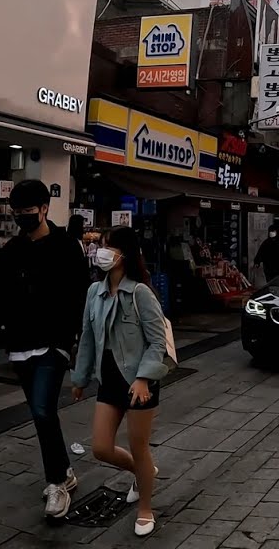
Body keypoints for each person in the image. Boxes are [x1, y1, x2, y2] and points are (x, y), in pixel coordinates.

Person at [0, 180, 88, 518]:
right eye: (18, 214)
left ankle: (56, 484)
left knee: (42, 410)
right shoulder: (11, 251)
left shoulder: (67, 248)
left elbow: (79, 297)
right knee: (43, 414)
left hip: (54, 345)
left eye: (28, 212)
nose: (23, 218)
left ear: (44, 209)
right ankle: (66, 473)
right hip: (20, 346)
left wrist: (74, 340)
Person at [71, 227, 169, 538]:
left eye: (106, 246)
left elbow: (158, 343)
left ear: (123, 253)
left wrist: (142, 379)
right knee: (101, 447)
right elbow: (87, 338)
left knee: (138, 447)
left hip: (139, 380)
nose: (100, 251)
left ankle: (145, 508)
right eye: (100, 246)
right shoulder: (94, 292)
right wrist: (80, 377)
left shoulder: (140, 293)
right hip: (109, 379)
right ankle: (144, 475)